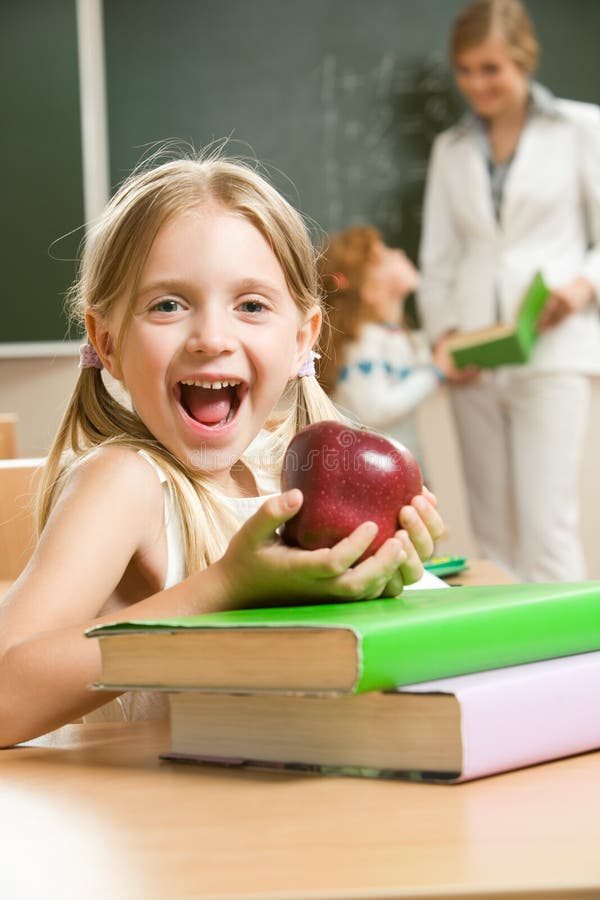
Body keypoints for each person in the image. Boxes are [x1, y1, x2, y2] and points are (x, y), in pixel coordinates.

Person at [0, 152, 444, 747]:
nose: (211, 338)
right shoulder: (125, 483)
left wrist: (385, 588)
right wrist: (225, 588)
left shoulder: (286, 484)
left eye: (251, 306)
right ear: (106, 342)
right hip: (174, 830)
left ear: (301, 339)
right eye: (168, 304)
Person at [418, 0, 600, 582]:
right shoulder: (450, 149)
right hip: (474, 354)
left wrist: (581, 287)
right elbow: (438, 258)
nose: (476, 84)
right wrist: (447, 338)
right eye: (465, 70)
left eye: (490, 68)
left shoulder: (581, 130)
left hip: (554, 351)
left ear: (523, 60)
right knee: (490, 536)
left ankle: (574, 667)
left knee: (549, 528)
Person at [318, 225, 442, 473]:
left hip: (396, 470)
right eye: (385, 256)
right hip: (374, 475)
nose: (398, 253)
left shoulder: (397, 337)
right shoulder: (364, 343)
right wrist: (437, 372)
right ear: (370, 291)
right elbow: (375, 409)